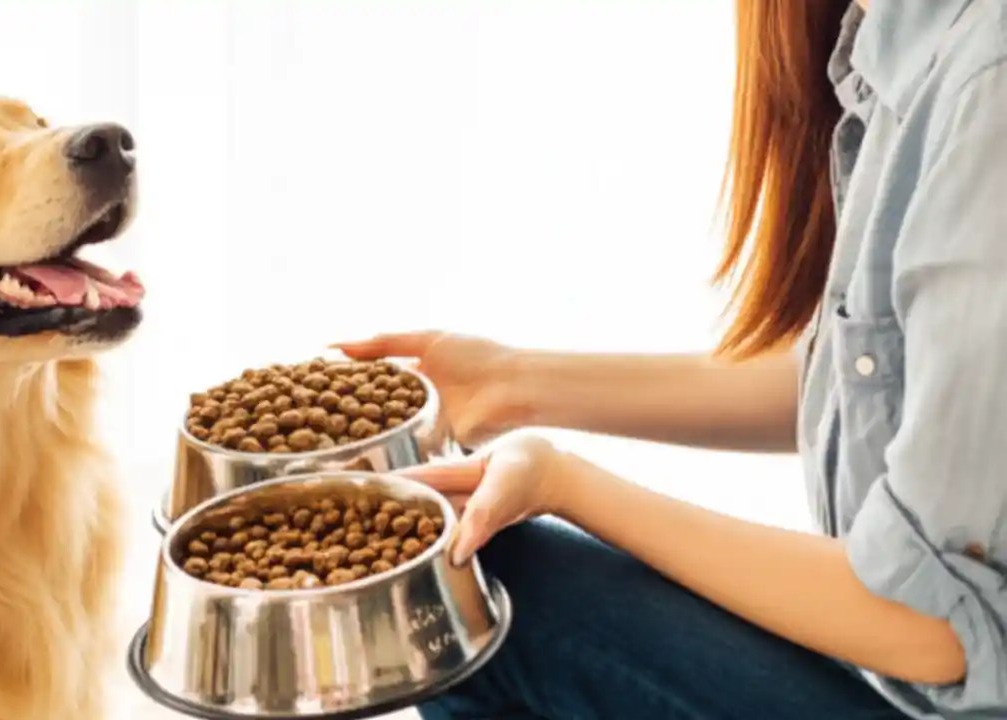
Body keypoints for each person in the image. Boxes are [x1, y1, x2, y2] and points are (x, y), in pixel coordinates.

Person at [336, 1, 1007, 718]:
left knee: (494, 595)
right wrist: (508, 385)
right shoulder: (905, 49)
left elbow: (938, 628)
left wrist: (565, 484)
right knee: (484, 579)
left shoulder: (985, 86)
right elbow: (865, 375)